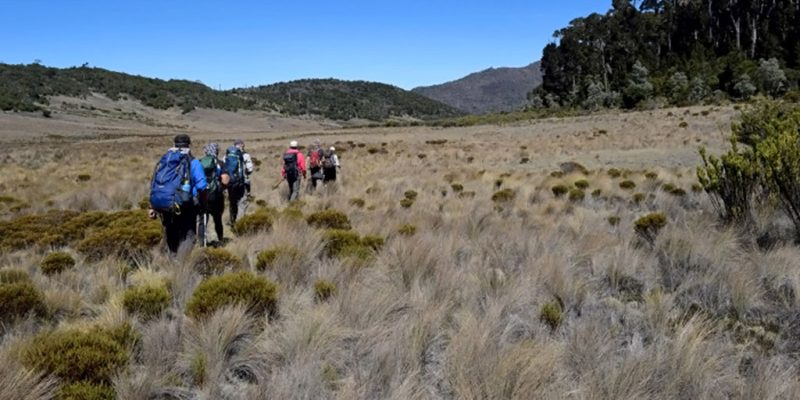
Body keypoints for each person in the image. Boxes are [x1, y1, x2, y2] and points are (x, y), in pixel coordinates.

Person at [148, 134, 207, 256]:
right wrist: (203, 202)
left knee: (171, 232)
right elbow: (202, 186)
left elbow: (155, 183)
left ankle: (172, 259)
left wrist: (152, 207)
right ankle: (181, 264)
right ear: (189, 145)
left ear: (174, 144)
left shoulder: (165, 161)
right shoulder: (193, 162)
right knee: (189, 236)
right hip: (186, 205)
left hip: (165, 204)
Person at [198, 143, 230, 246]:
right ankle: (220, 239)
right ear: (216, 151)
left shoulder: (199, 162)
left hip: (202, 195)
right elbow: (225, 181)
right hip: (216, 196)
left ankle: (202, 244)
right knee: (217, 219)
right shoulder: (220, 163)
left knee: (203, 220)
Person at [225, 139, 253, 225]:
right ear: (242, 145)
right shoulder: (246, 155)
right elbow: (250, 169)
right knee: (242, 203)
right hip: (242, 182)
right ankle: (240, 223)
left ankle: (232, 221)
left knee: (232, 202)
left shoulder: (227, 155)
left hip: (230, 183)